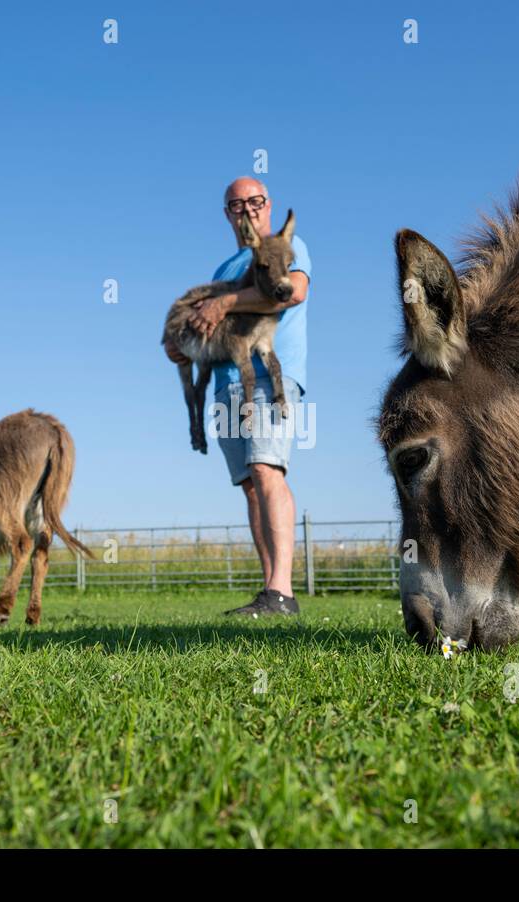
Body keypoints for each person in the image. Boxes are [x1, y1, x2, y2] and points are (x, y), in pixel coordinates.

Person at [164, 177, 311, 616]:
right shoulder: (224, 268)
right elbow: (203, 322)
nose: (247, 210)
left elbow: (292, 292)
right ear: (227, 214)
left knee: (268, 470)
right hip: (227, 385)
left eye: (255, 201)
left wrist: (223, 305)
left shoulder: (290, 244)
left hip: (266, 379)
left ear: (269, 205)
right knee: (249, 484)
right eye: (236, 205)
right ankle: (270, 591)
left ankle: (282, 591)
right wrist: (181, 344)